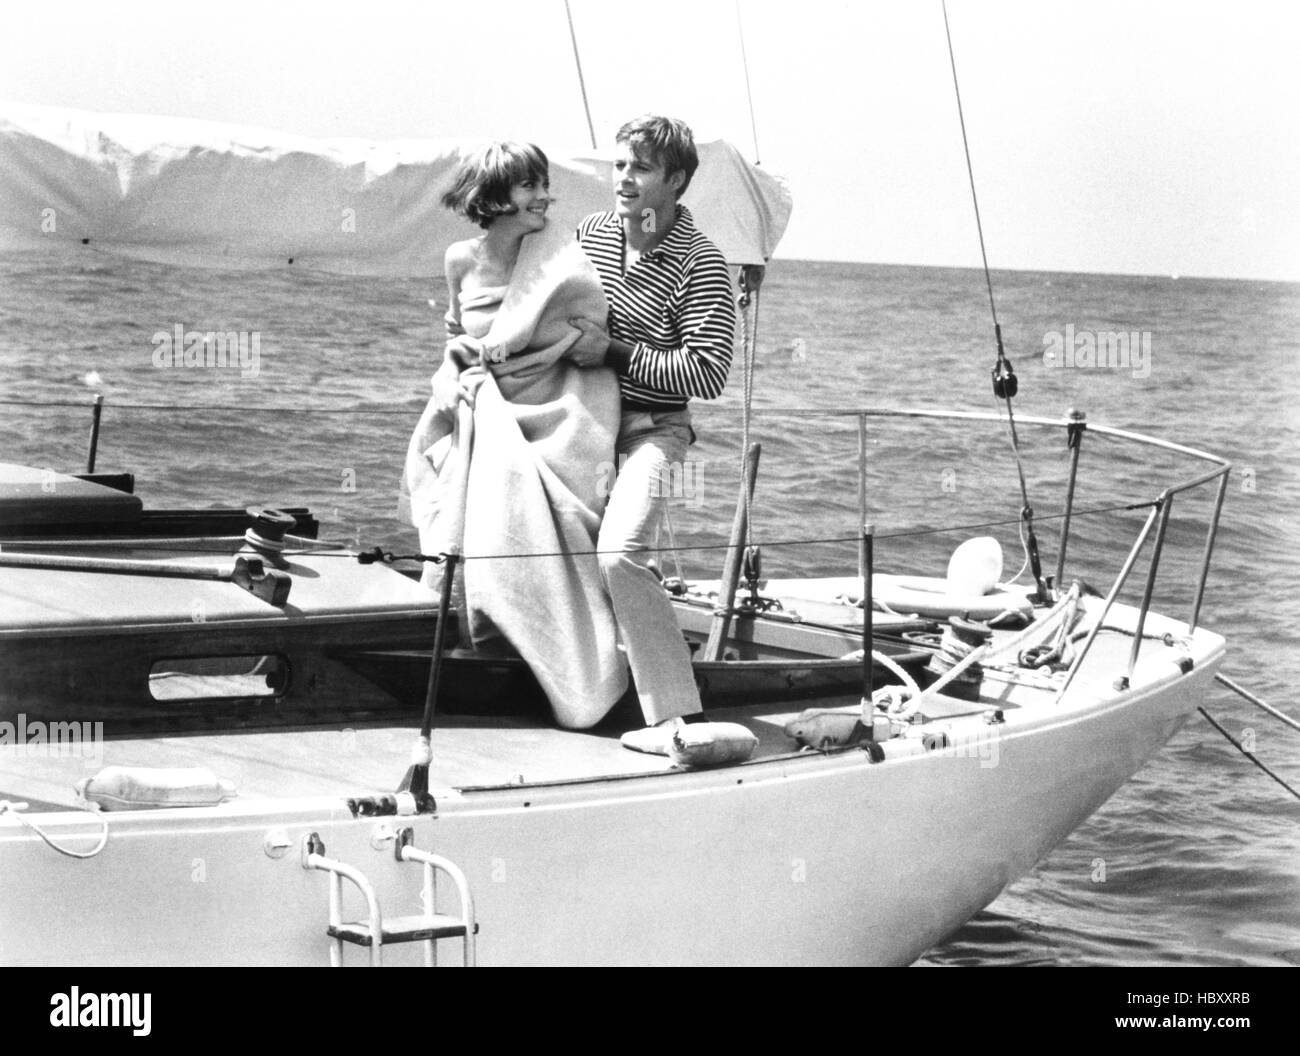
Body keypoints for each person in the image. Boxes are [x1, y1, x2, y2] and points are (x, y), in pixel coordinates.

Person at [405, 142, 628, 729]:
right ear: (495, 195)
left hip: (557, 406)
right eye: (529, 186)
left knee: (530, 502)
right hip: (481, 406)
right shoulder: (460, 259)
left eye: (543, 184)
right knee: (461, 499)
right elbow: (456, 338)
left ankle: (555, 655)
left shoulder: (560, 254)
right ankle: (478, 640)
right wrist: (452, 375)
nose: (544, 197)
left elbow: (581, 330)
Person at [564, 115, 738, 750]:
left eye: (638, 167)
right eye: (618, 166)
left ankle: (673, 716)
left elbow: (707, 372)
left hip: (652, 431)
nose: (623, 179)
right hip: (581, 421)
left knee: (620, 554)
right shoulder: (591, 235)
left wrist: (612, 354)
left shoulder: (702, 264)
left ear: (677, 180)